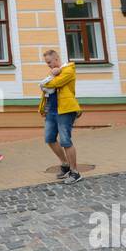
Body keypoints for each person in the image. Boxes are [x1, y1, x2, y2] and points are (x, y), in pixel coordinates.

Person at [39, 48, 82, 183]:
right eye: (47, 63)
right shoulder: (55, 72)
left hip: (65, 110)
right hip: (51, 110)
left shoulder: (68, 70)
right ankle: (65, 164)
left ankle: (75, 172)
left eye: (50, 62)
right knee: (49, 138)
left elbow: (51, 84)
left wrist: (46, 81)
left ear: (57, 59)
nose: (49, 65)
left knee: (65, 141)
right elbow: (46, 88)